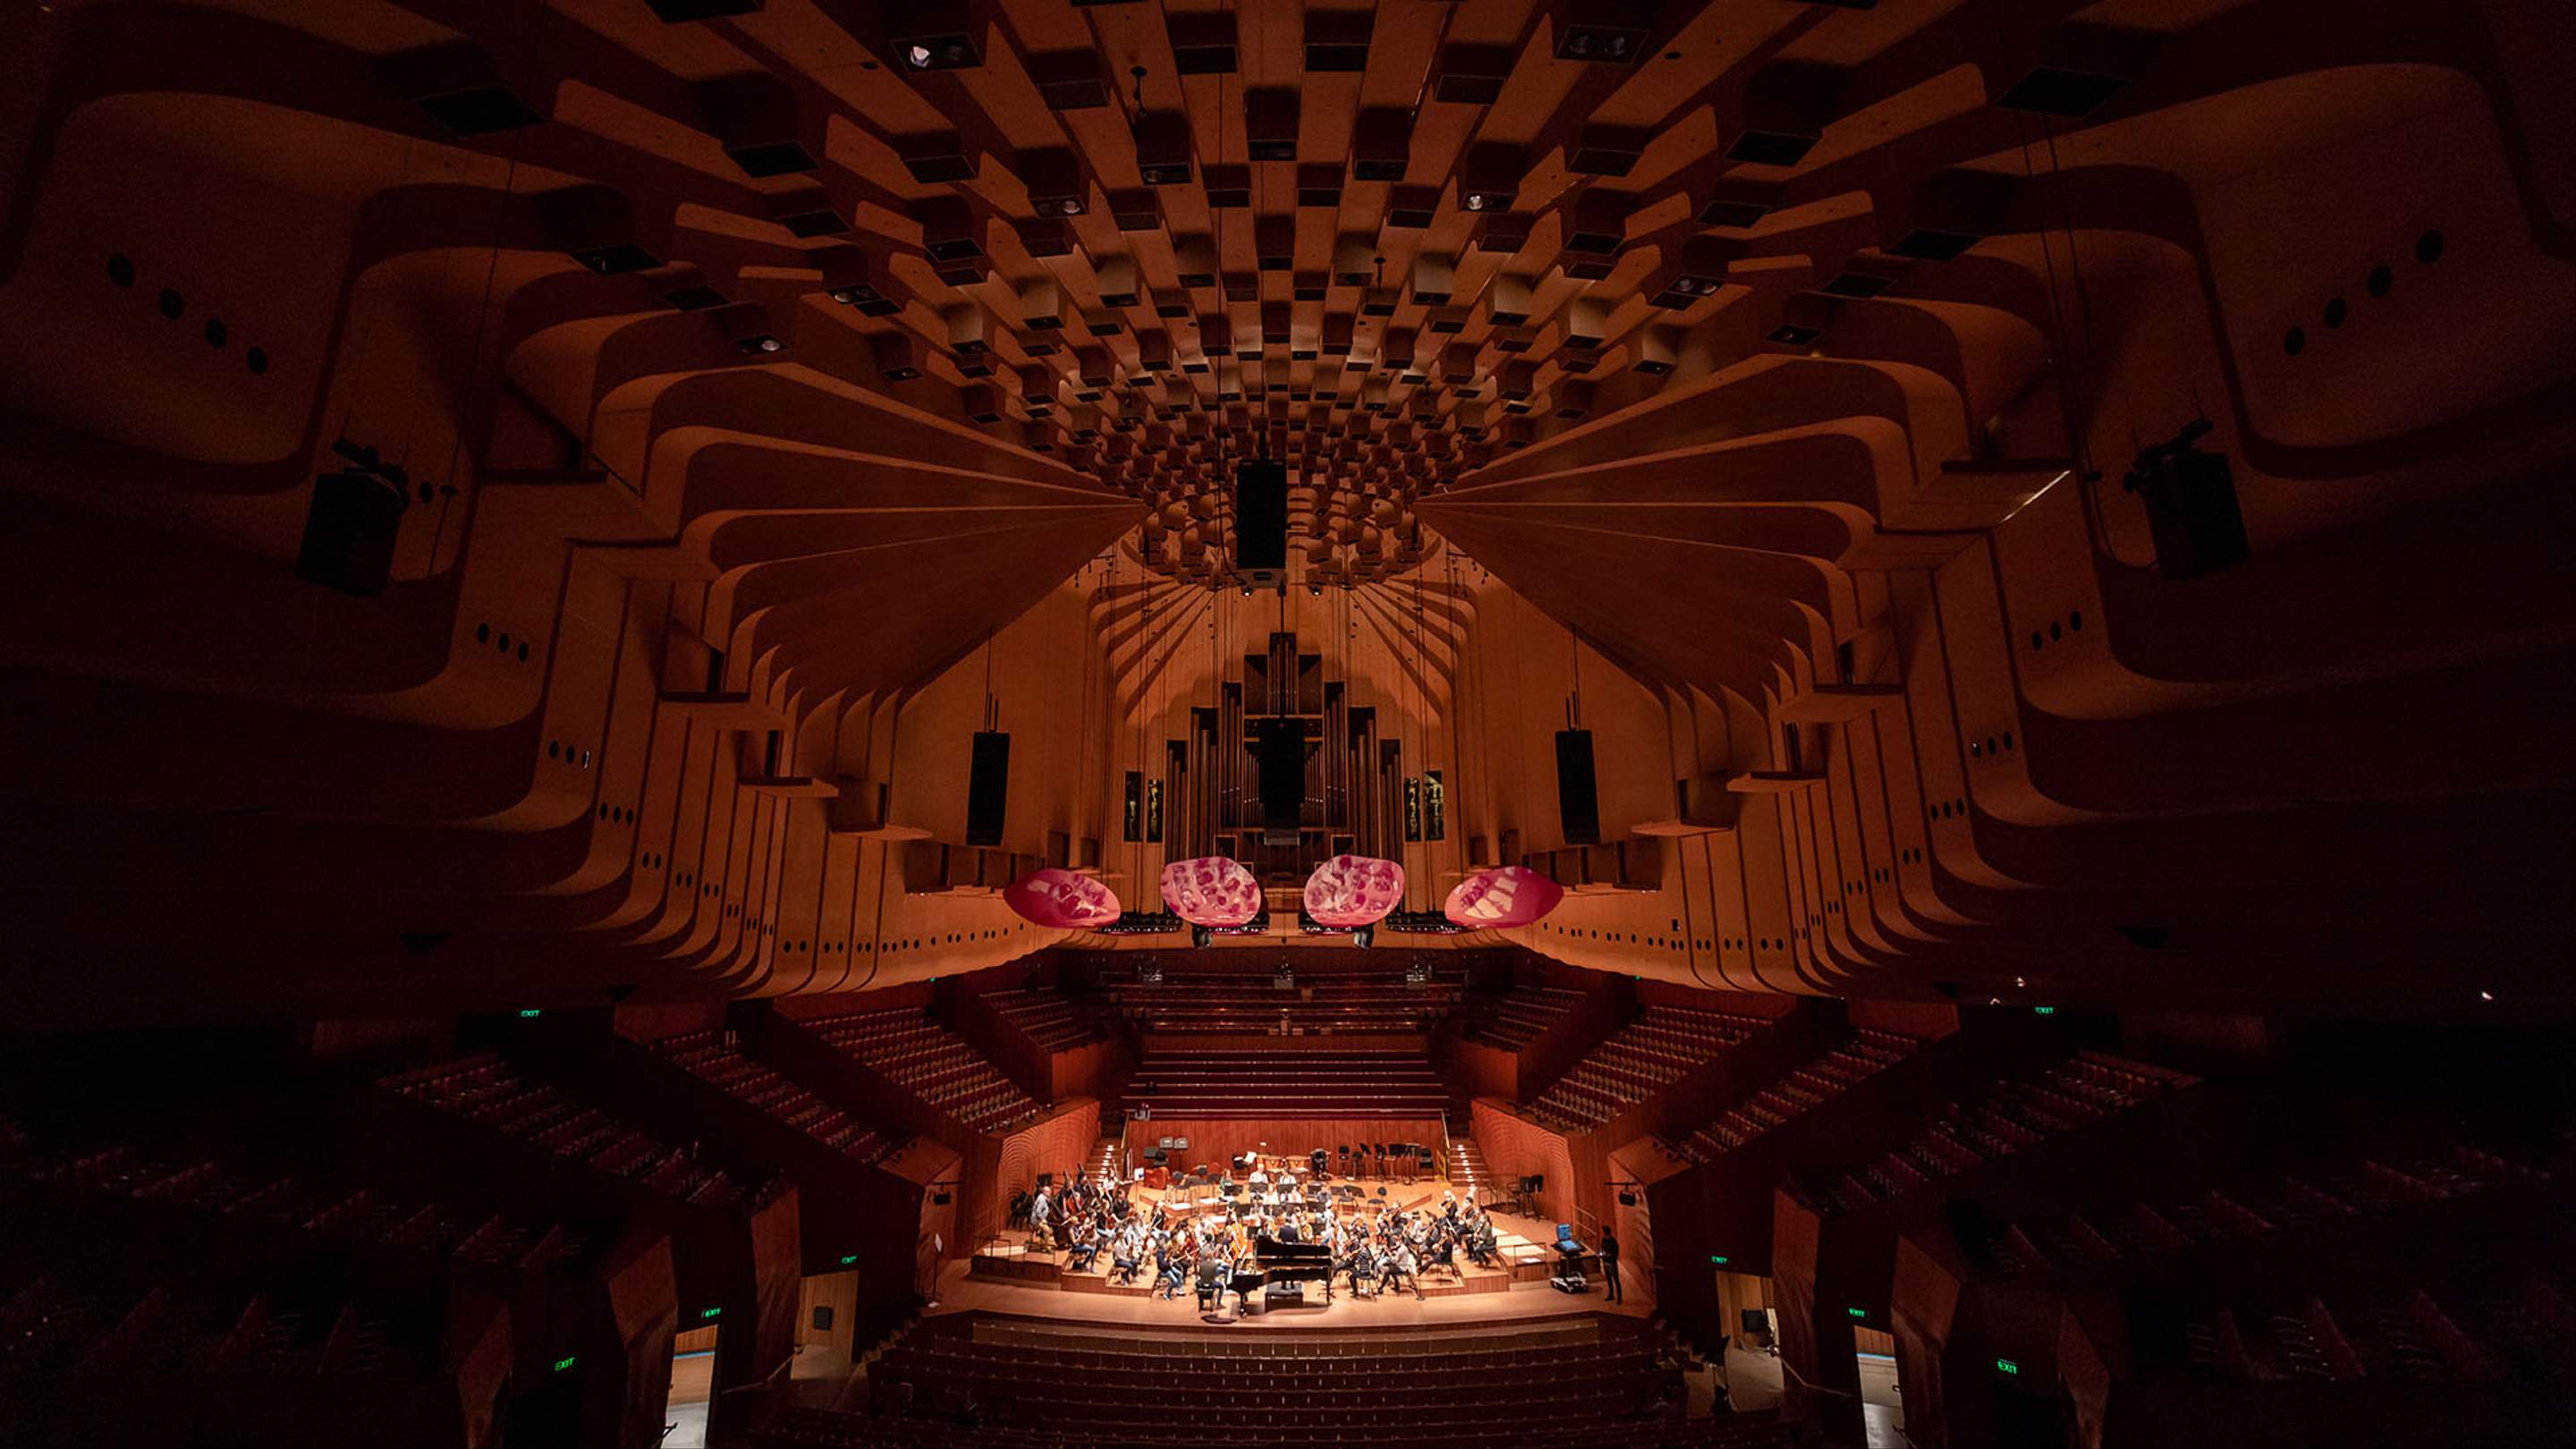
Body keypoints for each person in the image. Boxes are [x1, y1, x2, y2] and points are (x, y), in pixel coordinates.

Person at [1598, 1227, 1623, 1302]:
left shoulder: (1613, 1242)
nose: (1601, 1233)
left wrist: (1605, 1255)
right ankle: (1611, 1295)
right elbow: (1602, 1249)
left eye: (1602, 1232)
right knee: (1609, 1279)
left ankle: (1619, 1298)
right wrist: (1601, 1254)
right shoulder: (1604, 1240)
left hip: (1612, 1263)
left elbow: (1614, 1254)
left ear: (1605, 1232)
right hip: (1605, 1262)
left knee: (1616, 1280)